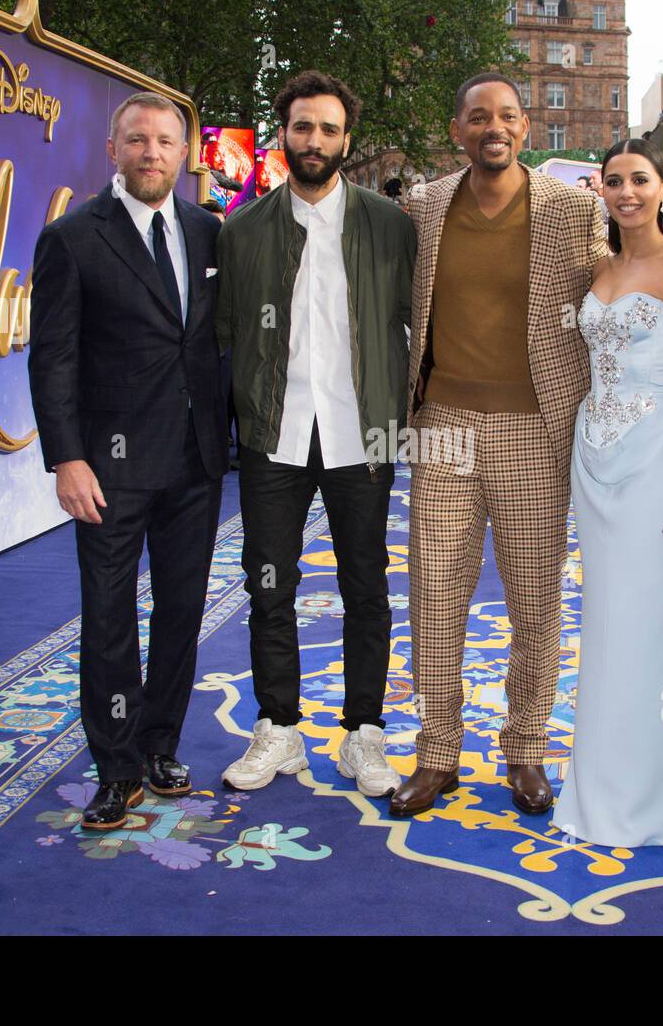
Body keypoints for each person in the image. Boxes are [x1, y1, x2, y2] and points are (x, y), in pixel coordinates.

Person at [389, 72, 609, 818]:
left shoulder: (576, 209)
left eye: (508, 116)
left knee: (535, 603)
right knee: (435, 596)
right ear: (457, 130)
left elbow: (618, 293)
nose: (494, 126)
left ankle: (525, 750)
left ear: (525, 126)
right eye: (477, 115)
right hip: (443, 426)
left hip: (535, 430)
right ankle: (437, 752)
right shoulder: (420, 207)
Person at [28, 92, 229, 830]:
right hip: (108, 469)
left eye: (165, 142)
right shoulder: (73, 237)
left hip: (195, 462)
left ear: (185, 154)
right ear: (112, 149)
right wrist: (67, 459)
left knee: (181, 612)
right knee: (109, 618)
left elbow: (216, 344)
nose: (151, 153)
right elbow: (52, 360)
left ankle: (159, 745)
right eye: (137, 140)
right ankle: (114, 767)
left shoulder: (210, 232)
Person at [215, 71, 416, 797]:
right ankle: (280, 729)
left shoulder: (390, 226)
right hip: (275, 435)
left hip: (362, 435)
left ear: (346, 140)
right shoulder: (241, 231)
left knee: (366, 584)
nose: (316, 141)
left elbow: (414, 327)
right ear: (283, 134)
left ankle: (363, 732)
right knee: (270, 585)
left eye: (329, 129)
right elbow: (226, 335)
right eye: (304, 127)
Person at [550, 138, 663, 848]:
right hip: (594, 460)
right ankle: (595, 789)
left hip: (658, 461)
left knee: (647, 627)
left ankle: (650, 801)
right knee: (604, 627)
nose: (626, 192)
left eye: (639, 180)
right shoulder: (598, 266)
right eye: (614, 181)